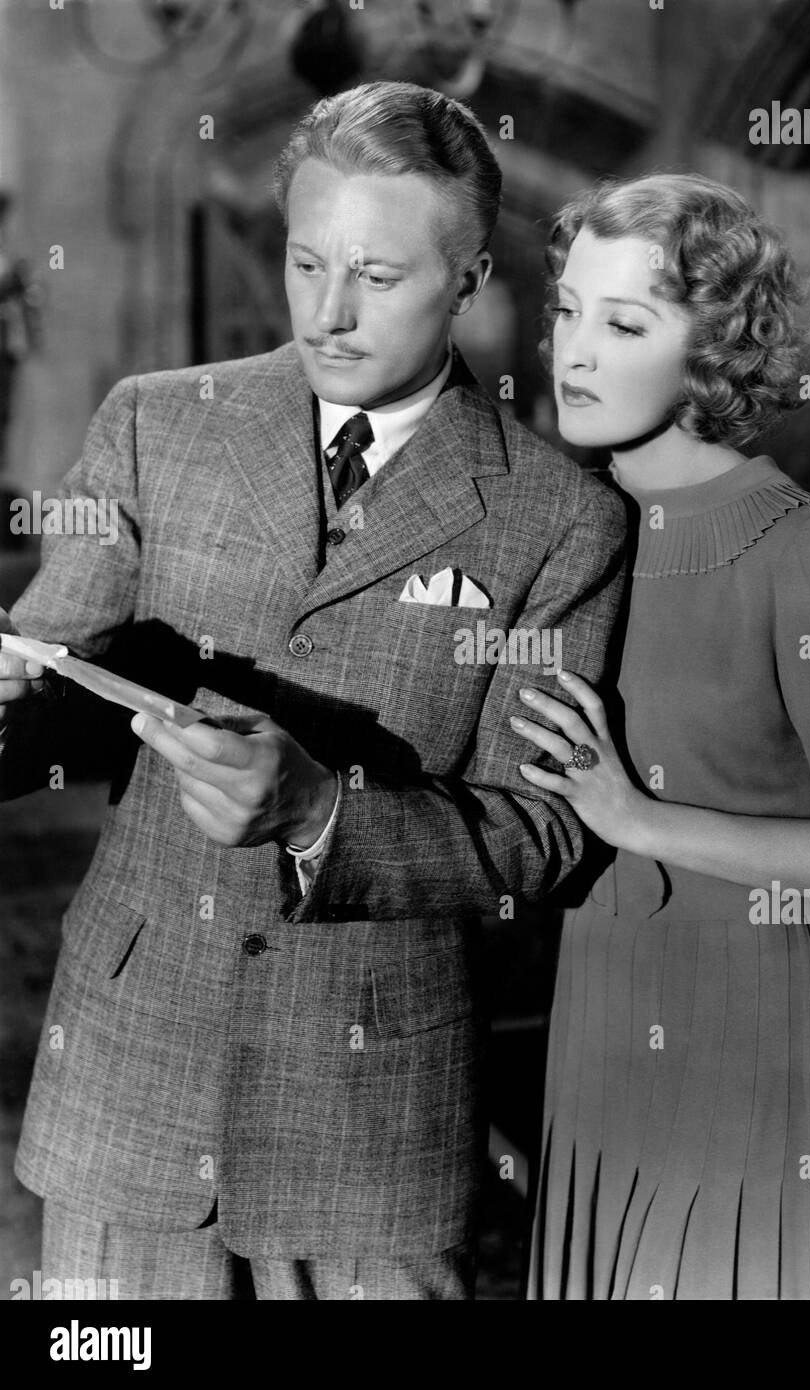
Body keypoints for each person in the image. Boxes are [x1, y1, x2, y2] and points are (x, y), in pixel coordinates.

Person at [0, 81, 626, 1301]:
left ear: (467, 279)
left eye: (379, 279)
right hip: (129, 1076)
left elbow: (543, 833)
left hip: (373, 1117)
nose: (327, 314)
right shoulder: (158, 423)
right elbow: (41, 702)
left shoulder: (561, 520)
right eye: (303, 262)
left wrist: (317, 815)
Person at [512, 174, 810, 1300]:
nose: (575, 350)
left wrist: (641, 819)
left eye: (624, 322)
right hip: (594, 999)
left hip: (736, 1017)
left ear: (710, 352)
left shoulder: (806, 556)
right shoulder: (571, 531)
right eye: (565, 309)